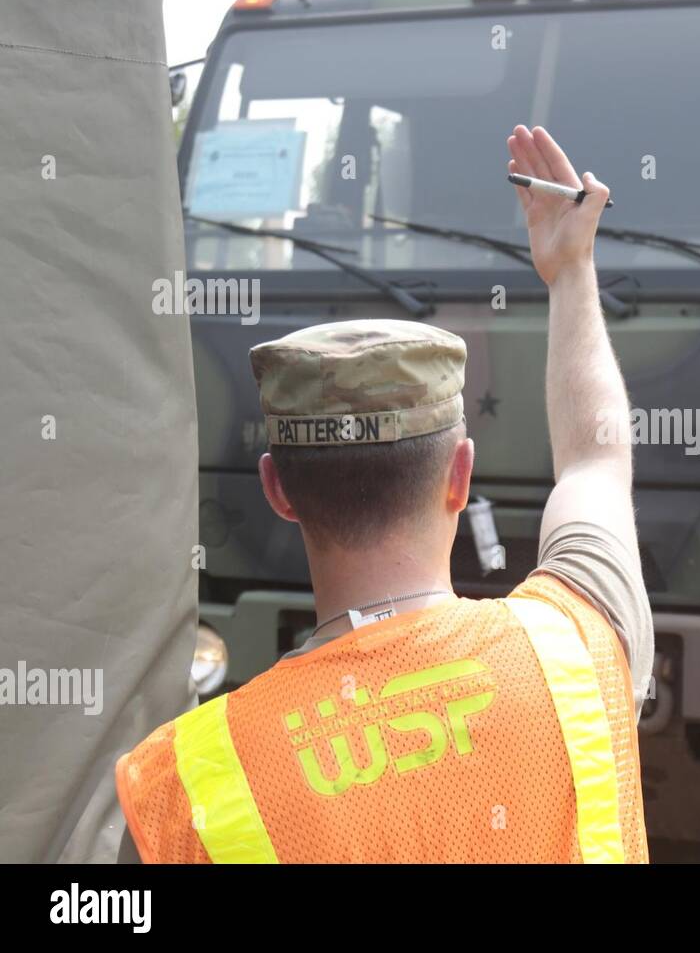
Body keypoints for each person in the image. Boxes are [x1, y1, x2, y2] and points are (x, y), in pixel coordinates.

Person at [114, 126, 653, 863]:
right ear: (459, 476)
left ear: (279, 490)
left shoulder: (184, 788)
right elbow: (595, 461)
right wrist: (569, 270)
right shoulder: (581, 650)